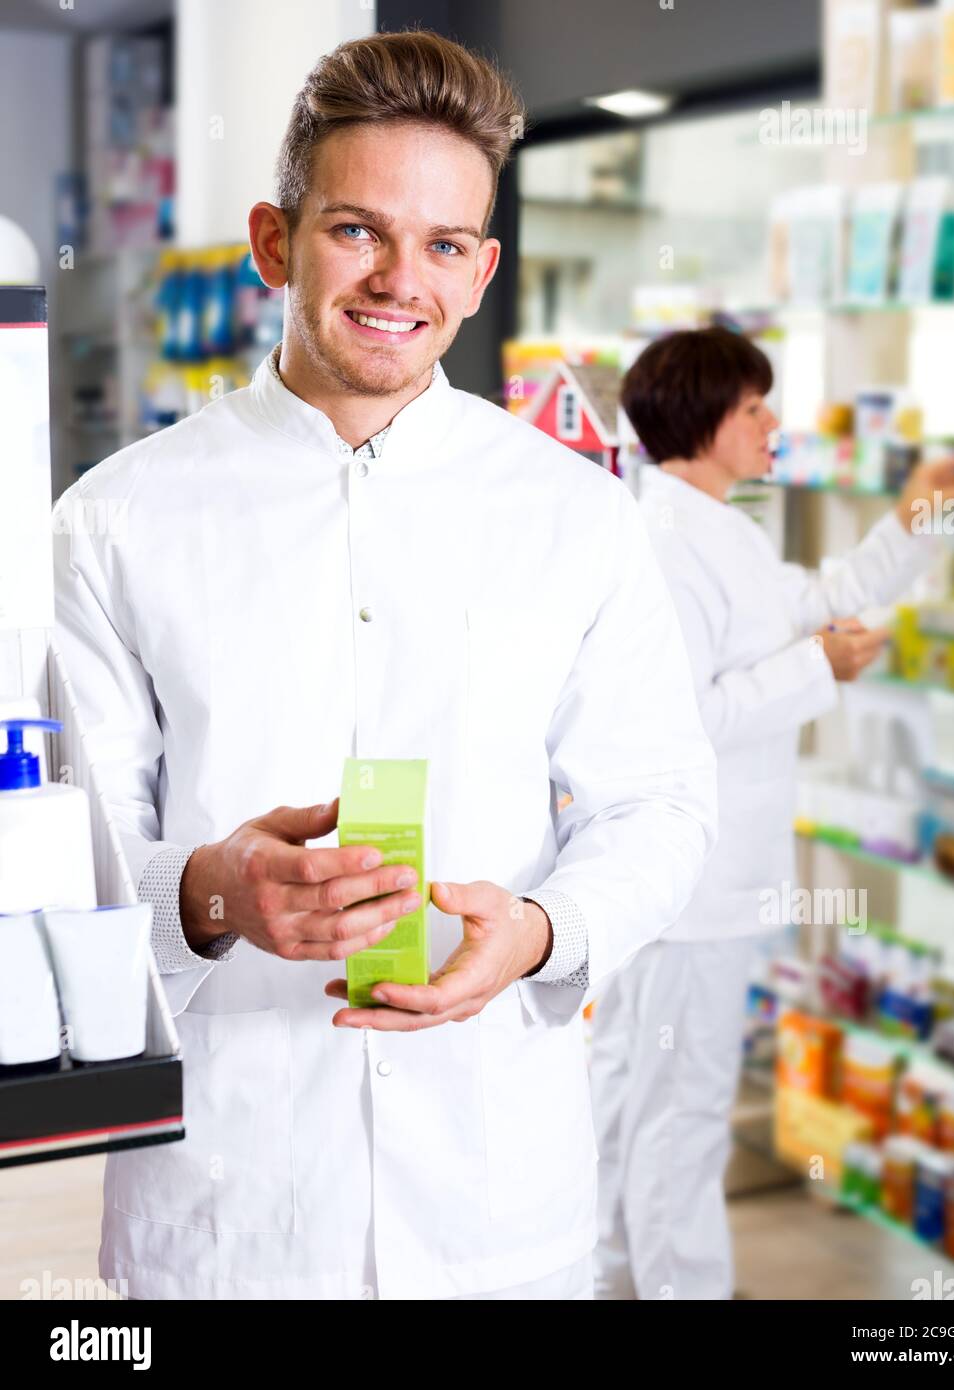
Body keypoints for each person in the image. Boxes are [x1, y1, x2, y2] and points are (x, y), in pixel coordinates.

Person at [51, 32, 718, 1301]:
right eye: (357, 230)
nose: (400, 280)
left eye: (445, 245)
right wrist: (205, 894)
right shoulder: (114, 520)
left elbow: (661, 804)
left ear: (482, 271)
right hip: (228, 1221)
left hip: (498, 1209)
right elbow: (55, 862)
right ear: (272, 240)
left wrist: (532, 932)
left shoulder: (574, 515)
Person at [591, 326, 954, 1300]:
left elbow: (817, 597)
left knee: (639, 1096)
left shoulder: (718, 523)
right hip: (689, 886)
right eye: (754, 407)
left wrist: (911, 523)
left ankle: (622, 1280)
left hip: (699, 884)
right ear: (703, 418)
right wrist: (817, 670)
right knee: (678, 1108)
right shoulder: (667, 542)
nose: (773, 424)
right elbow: (685, 718)